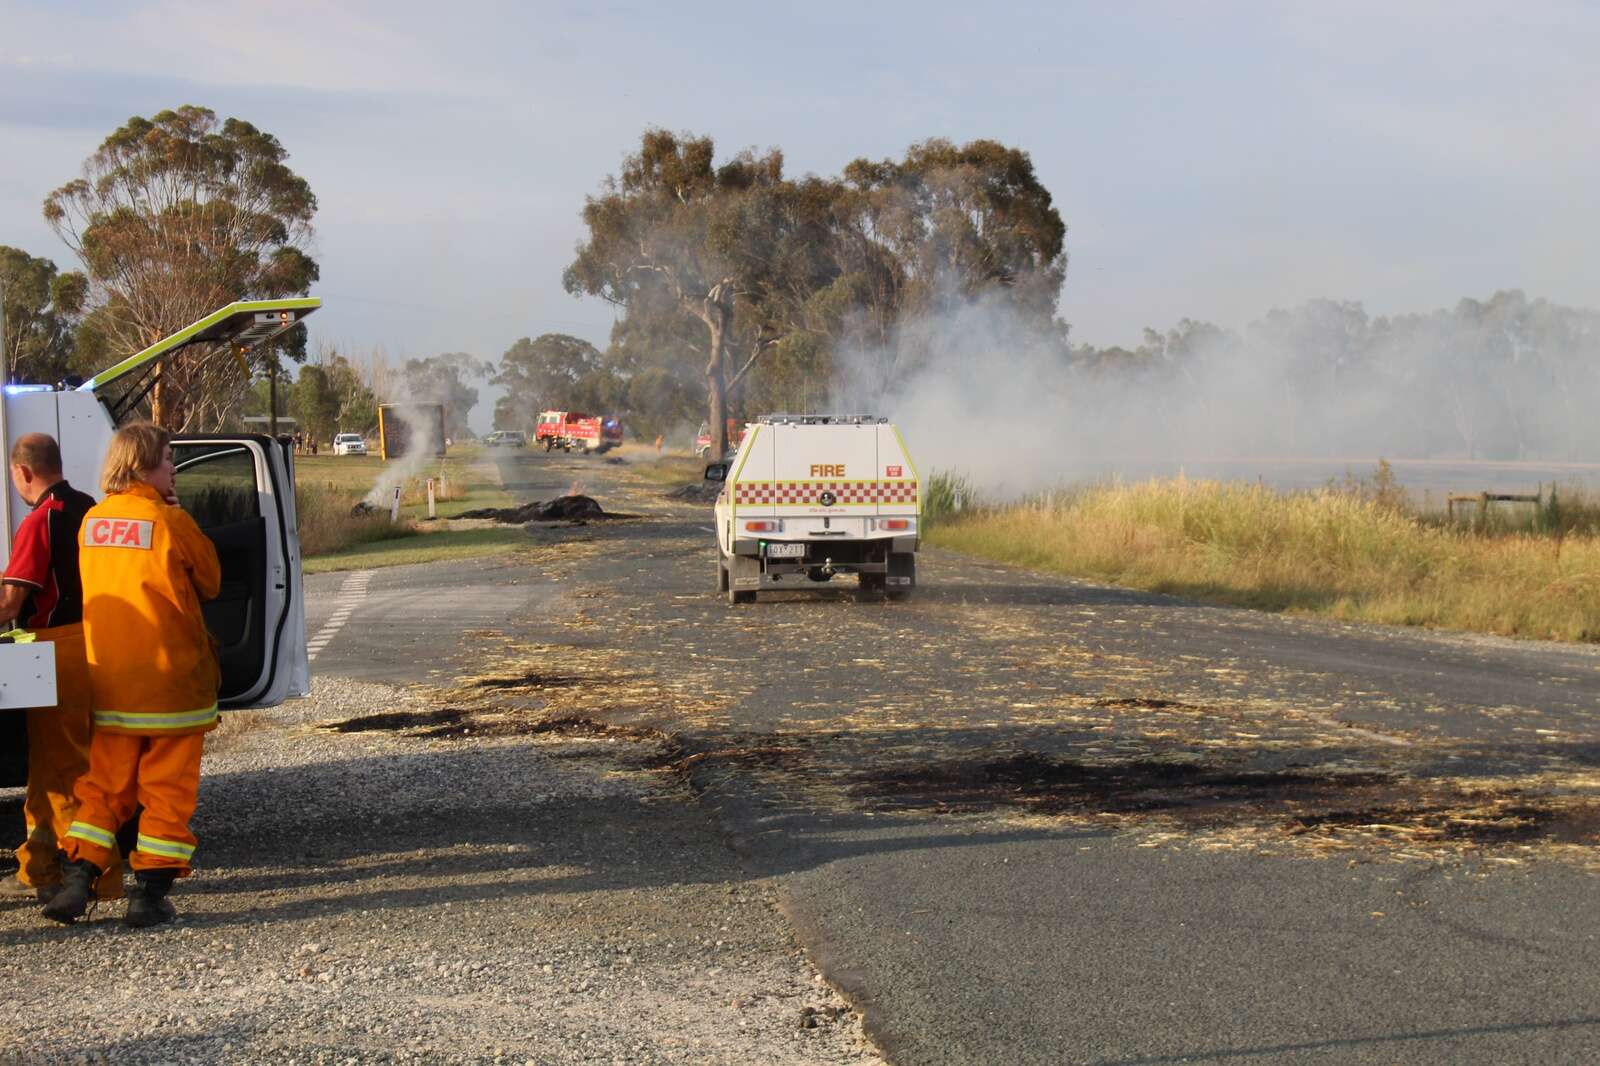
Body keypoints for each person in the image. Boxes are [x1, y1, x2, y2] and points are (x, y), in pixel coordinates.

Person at [44, 422, 221, 928]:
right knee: (166, 791)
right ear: (143, 463)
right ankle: (149, 896)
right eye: (167, 459)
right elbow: (210, 581)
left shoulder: (93, 522)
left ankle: (78, 879)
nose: (172, 468)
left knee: (105, 787)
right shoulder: (169, 521)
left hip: (113, 684)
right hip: (171, 684)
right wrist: (181, 517)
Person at [0, 434, 124, 905]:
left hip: (55, 649)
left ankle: (94, 876)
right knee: (48, 769)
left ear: (23, 472)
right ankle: (38, 865)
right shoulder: (88, 508)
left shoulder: (40, 521)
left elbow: (12, 601)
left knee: (65, 774)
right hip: (93, 643)